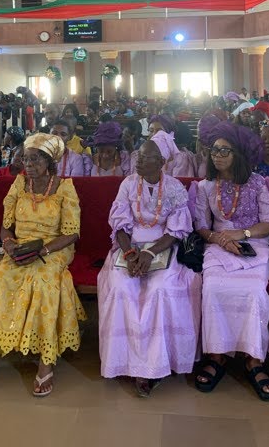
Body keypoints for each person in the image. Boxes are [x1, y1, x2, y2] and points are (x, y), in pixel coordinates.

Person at [0, 134, 86, 396]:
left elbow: (72, 233)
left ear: (48, 161)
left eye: (34, 159)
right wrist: (8, 244)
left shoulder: (64, 187)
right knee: (4, 274)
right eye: (24, 158)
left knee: (43, 279)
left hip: (54, 247)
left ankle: (46, 360)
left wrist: (43, 250)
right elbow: (6, 226)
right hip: (21, 246)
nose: (27, 164)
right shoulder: (19, 185)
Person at [96, 136, 200, 398]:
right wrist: (130, 252)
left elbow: (176, 231)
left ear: (162, 162)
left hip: (163, 249)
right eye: (138, 156)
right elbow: (119, 224)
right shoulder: (128, 184)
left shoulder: (175, 188)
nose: (138, 161)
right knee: (121, 286)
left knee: (159, 289)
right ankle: (124, 360)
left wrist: (150, 253)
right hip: (128, 248)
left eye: (146, 157)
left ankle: (152, 366)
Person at [188, 118, 269, 400]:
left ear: (238, 154)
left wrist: (241, 234)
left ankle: (253, 358)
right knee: (213, 287)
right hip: (218, 244)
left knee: (252, 291)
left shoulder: (258, 183)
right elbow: (202, 226)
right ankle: (217, 355)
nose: (217, 155)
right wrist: (220, 239)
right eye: (214, 150)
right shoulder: (205, 186)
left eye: (224, 150)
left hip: (254, 242)